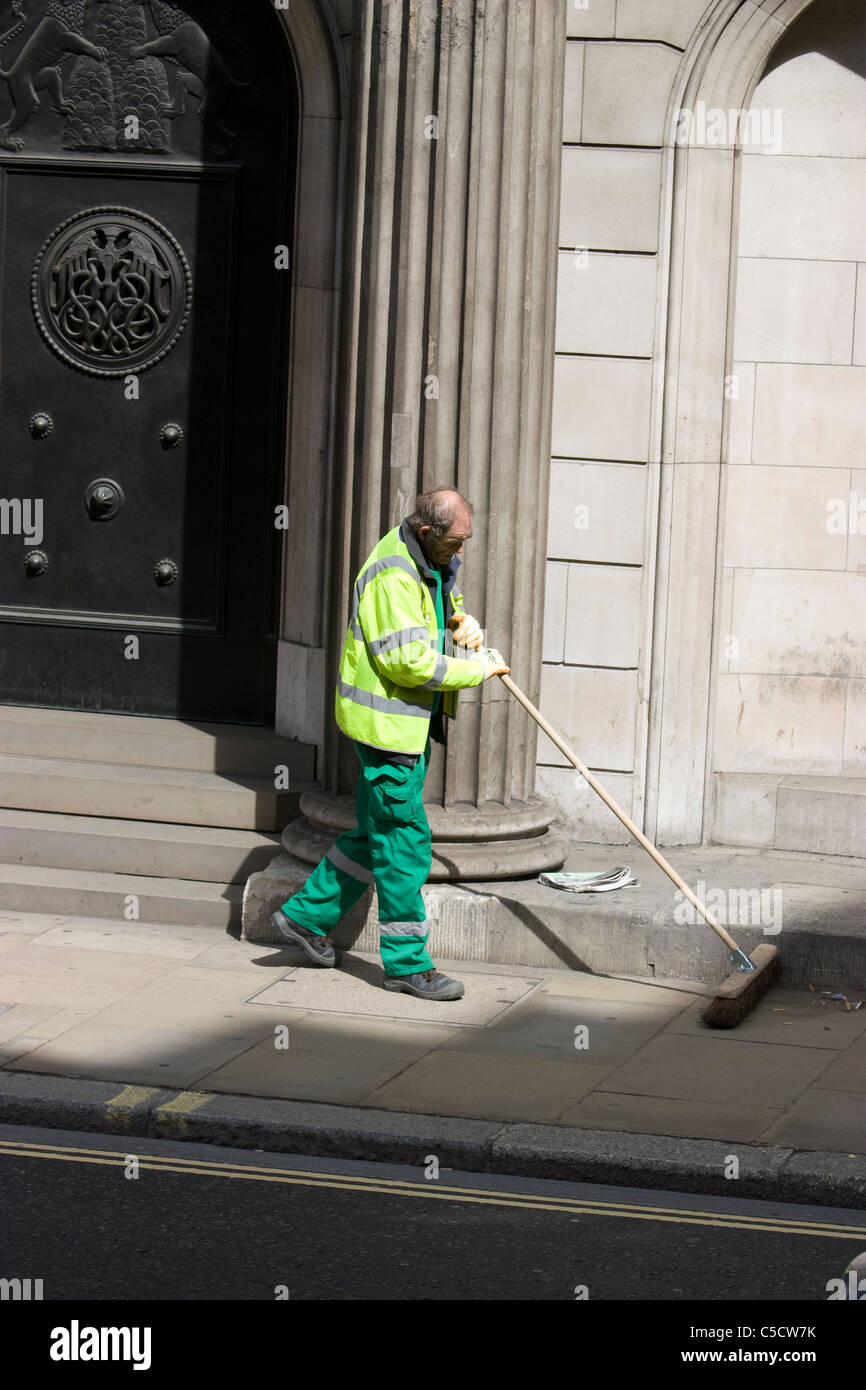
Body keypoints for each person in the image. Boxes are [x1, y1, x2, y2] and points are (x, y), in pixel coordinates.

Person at [270, 487, 510, 1000]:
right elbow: (409, 662)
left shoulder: (423, 558)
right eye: (456, 542)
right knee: (404, 843)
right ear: (428, 532)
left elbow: (438, 601)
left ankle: (304, 918)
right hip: (389, 732)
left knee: (373, 833)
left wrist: (459, 621)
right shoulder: (393, 575)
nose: (461, 552)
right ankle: (407, 966)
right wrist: (475, 669)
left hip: (401, 727)